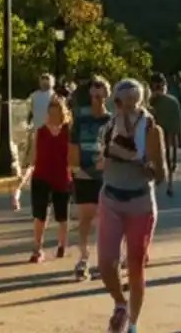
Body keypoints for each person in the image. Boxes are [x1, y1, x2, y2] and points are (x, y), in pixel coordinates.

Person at [97, 79, 166, 333]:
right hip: (112, 199)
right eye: (121, 104)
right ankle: (120, 304)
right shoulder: (107, 129)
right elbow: (101, 158)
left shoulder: (150, 130)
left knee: (135, 264)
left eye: (133, 105)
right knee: (106, 263)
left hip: (140, 202)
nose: (127, 110)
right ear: (114, 103)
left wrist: (145, 165)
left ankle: (133, 323)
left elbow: (160, 174)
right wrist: (111, 155)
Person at [13, 95, 73, 262]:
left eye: (57, 113)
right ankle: (37, 249)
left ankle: (62, 245)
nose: (53, 117)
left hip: (62, 178)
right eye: (51, 113)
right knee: (40, 216)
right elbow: (33, 159)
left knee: (62, 216)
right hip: (41, 177)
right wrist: (20, 184)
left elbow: (74, 158)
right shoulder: (41, 132)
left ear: (63, 113)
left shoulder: (69, 132)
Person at [69, 76, 112, 281]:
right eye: (93, 92)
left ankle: (106, 260)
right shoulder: (81, 119)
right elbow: (73, 144)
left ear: (107, 94)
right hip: (85, 174)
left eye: (100, 91)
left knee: (107, 219)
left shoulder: (112, 121)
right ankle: (83, 258)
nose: (97, 96)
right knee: (85, 218)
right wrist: (76, 168)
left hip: (108, 175)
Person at [147, 72, 181, 197]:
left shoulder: (171, 101)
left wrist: (178, 138)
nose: (158, 87)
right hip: (154, 132)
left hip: (167, 132)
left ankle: (169, 183)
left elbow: (177, 120)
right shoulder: (149, 101)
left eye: (159, 85)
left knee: (169, 158)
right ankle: (162, 182)